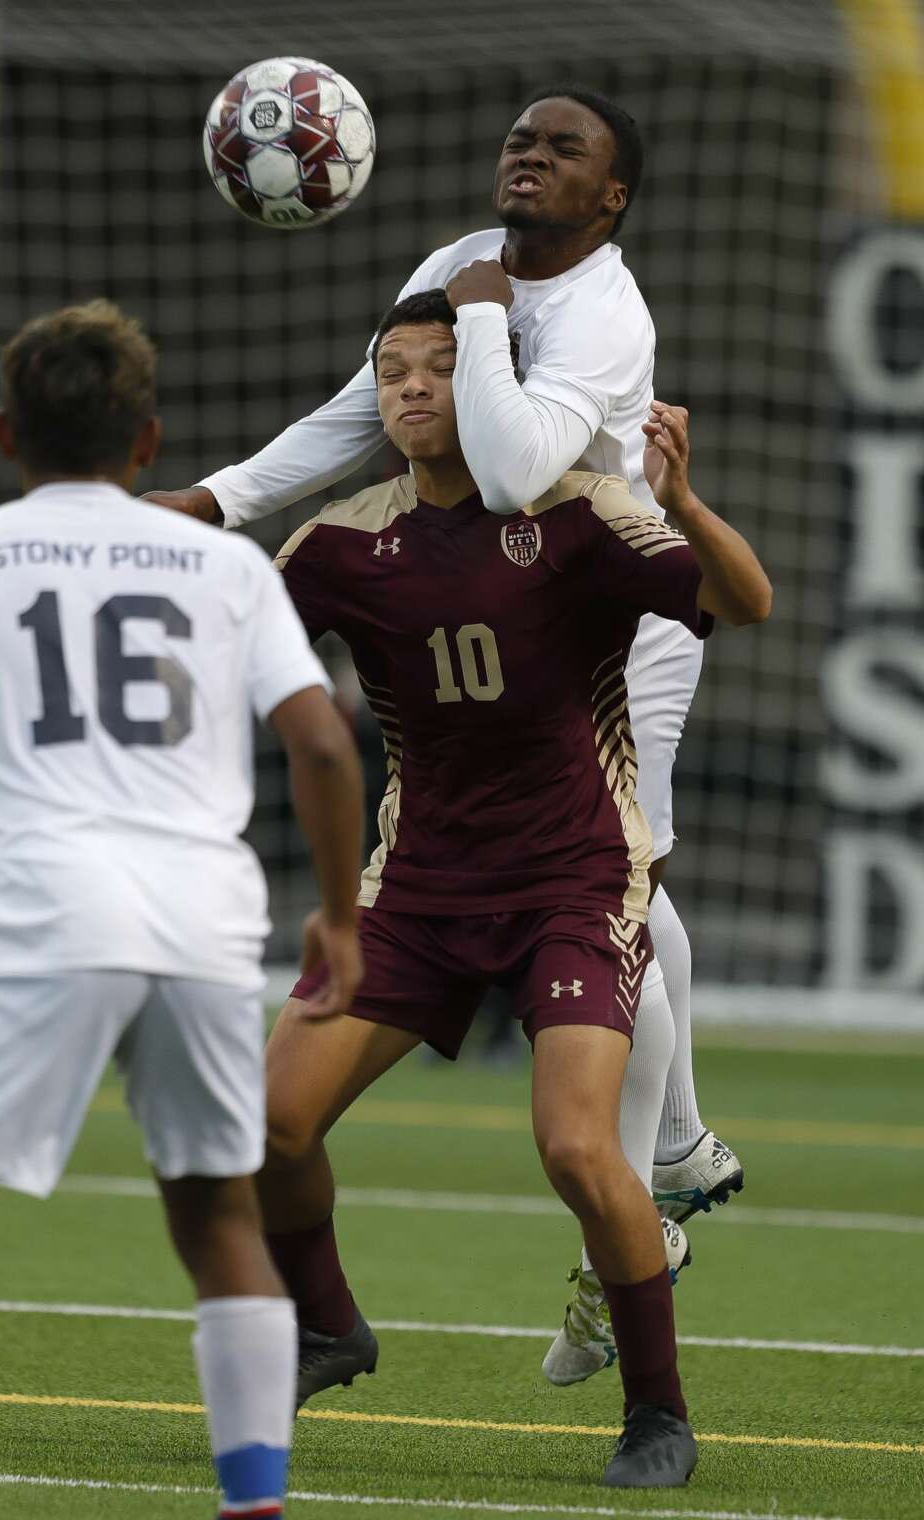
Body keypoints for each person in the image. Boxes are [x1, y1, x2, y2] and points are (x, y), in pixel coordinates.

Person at [147, 87, 743, 1377]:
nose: (528, 155)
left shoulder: (599, 313)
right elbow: (365, 413)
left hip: (603, 614)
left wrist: (478, 315)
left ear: (613, 196)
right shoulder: (451, 271)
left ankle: (630, 1226)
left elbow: (524, 467)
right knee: (638, 882)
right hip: (483, 617)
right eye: (519, 139)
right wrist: (220, 497)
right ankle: (682, 1144)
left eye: (563, 147)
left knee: (624, 871)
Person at [0, 299, 365, 1520]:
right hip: (202, 915)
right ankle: (255, 1505)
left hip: (46, 908)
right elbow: (327, 749)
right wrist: (339, 915)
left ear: (3, 433)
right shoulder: (229, 563)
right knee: (218, 1217)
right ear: (148, 442)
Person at [256, 289, 771, 1488]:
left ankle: (659, 1413)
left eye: (441, 365)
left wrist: (683, 501)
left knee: (578, 1151)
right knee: (268, 1121)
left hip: (572, 880)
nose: (416, 387)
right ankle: (330, 1325)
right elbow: (225, 645)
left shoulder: (580, 515)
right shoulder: (341, 543)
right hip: (420, 888)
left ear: (491, 390)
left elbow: (744, 603)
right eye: (394, 372)